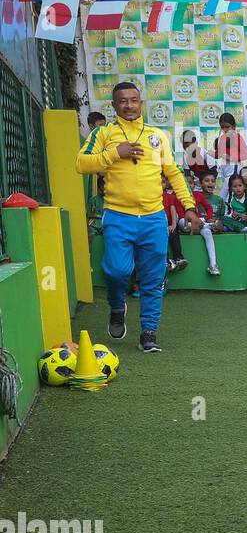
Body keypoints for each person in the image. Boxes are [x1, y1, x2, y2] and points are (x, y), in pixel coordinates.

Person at [75, 82, 201, 352]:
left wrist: (188, 206)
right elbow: (81, 163)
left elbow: (174, 173)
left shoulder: (157, 136)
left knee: (153, 278)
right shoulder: (104, 133)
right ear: (114, 106)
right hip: (118, 217)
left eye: (134, 100)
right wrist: (114, 153)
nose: (129, 105)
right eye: (123, 101)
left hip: (154, 218)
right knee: (117, 271)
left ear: (141, 103)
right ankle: (117, 305)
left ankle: (148, 332)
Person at [179, 170, 224, 276]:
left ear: (194, 184)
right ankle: (211, 225)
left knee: (207, 233)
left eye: (190, 183)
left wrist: (208, 218)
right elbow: (179, 213)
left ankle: (213, 265)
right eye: (185, 183)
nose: (188, 185)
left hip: (199, 223)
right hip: (185, 223)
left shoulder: (198, 195)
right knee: (183, 222)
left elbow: (208, 208)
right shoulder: (178, 196)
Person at [213, 113, 247, 196]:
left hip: (233, 169)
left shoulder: (237, 137)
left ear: (234, 126)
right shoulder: (222, 138)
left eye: (227, 127)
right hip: (225, 170)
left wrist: (230, 158)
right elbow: (219, 154)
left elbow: (246, 154)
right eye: (222, 127)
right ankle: (230, 208)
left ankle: (224, 208)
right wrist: (211, 154)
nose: (225, 129)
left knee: (224, 195)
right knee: (229, 195)